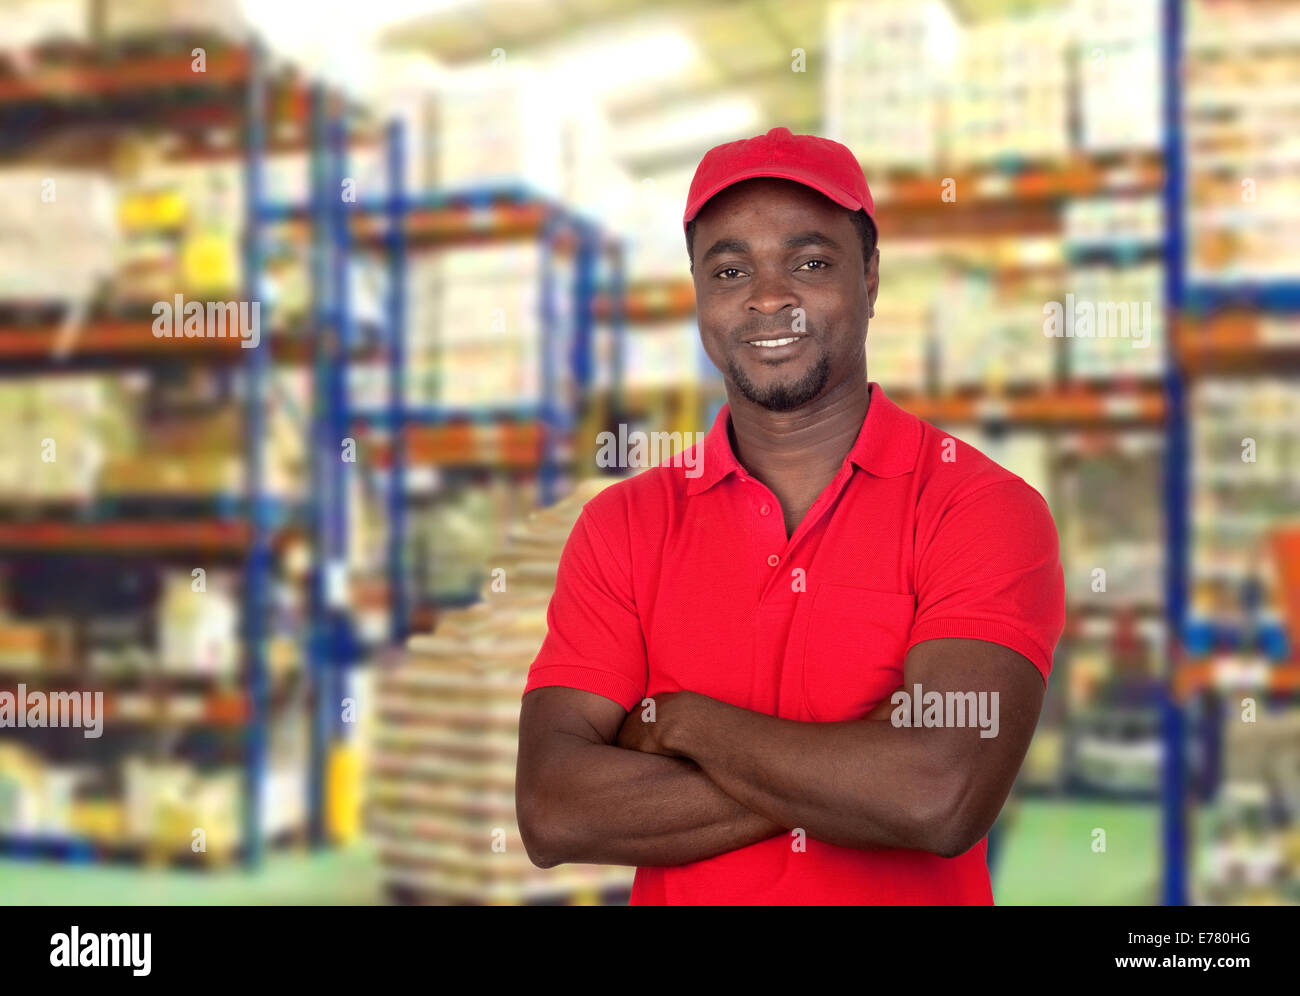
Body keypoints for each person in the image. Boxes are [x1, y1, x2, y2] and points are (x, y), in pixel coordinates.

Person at [515, 126, 1065, 905]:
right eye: (731, 268)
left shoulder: (980, 510)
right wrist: (861, 760)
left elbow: (938, 794)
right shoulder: (624, 526)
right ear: (700, 294)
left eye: (809, 263)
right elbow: (552, 809)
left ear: (870, 278)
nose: (768, 297)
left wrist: (683, 725)